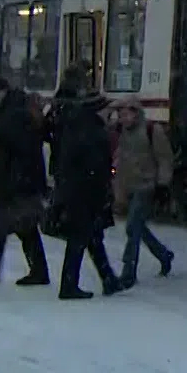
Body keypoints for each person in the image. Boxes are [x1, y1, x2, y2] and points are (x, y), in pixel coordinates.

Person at [0, 78, 50, 286]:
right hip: (17, 181)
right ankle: (31, 269)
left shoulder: (13, 116)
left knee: (6, 224)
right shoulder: (13, 112)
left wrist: (8, 178)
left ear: (2, 92)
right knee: (22, 226)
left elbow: (16, 152)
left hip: (15, 182)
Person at [49, 76, 120, 300]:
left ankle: (108, 279)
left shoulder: (78, 126)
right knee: (81, 238)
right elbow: (95, 167)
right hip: (84, 194)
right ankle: (69, 285)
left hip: (76, 192)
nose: (111, 114)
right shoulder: (92, 132)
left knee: (91, 238)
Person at [107, 95, 174, 290]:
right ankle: (163, 254)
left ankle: (129, 271)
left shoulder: (152, 130)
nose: (123, 118)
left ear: (136, 114)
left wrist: (162, 184)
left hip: (146, 186)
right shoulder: (121, 133)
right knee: (137, 227)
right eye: (121, 115)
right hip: (128, 186)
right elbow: (119, 159)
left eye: (126, 114)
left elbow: (164, 158)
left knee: (133, 227)